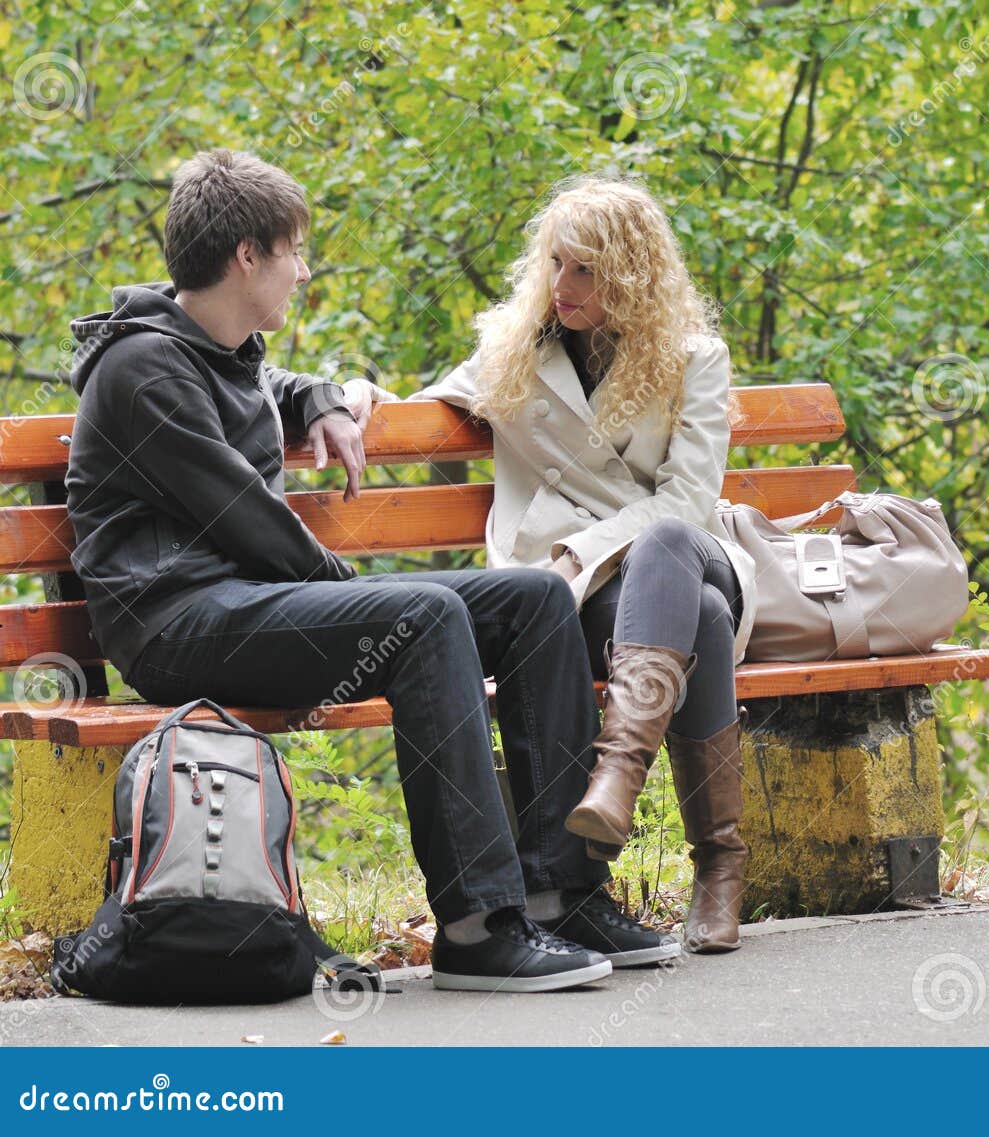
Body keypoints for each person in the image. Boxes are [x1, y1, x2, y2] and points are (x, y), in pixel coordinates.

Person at [64, 149, 678, 993]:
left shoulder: (212, 343)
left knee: (535, 599)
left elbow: (262, 378)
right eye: (292, 251)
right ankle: (475, 925)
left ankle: (560, 892)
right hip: (176, 622)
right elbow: (248, 523)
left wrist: (319, 394)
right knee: (421, 618)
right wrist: (374, 599)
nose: (303, 270)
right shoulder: (140, 369)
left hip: (247, 601)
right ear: (247, 256)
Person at [347, 175, 757, 952]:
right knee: (694, 623)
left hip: (684, 557)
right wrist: (356, 394)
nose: (562, 285)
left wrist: (583, 547)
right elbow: (421, 409)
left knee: (673, 553)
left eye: (586, 270)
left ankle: (618, 778)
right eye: (557, 264)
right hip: (601, 599)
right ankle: (719, 864)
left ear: (631, 277)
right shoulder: (515, 353)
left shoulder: (693, 358)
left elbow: (689, 502)